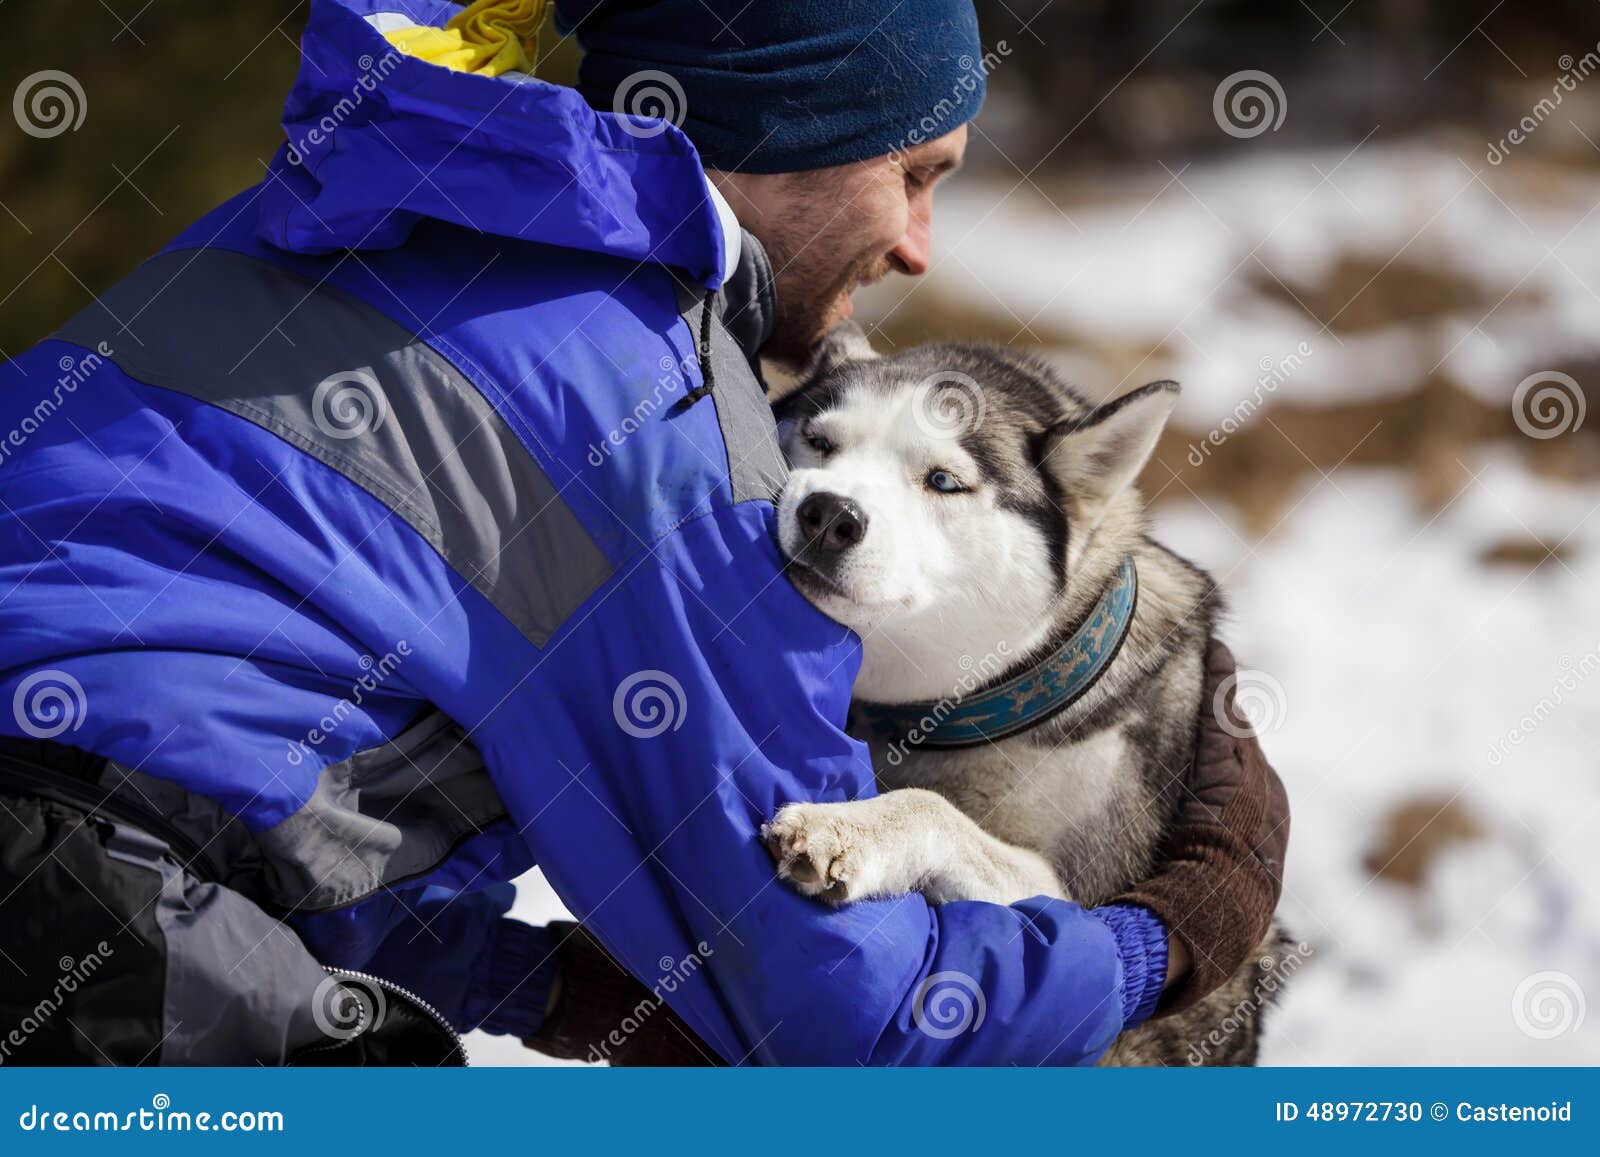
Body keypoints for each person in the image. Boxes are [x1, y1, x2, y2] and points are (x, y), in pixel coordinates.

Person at [0, 0, 1287, 1066]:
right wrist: (1168, 936)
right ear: (794, 127)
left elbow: (242, 757)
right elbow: (857, 1013)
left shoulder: (299, 220)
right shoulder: (656, 417)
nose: (914, 244)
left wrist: (550, 985)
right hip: (101, 936)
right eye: (911, 175)